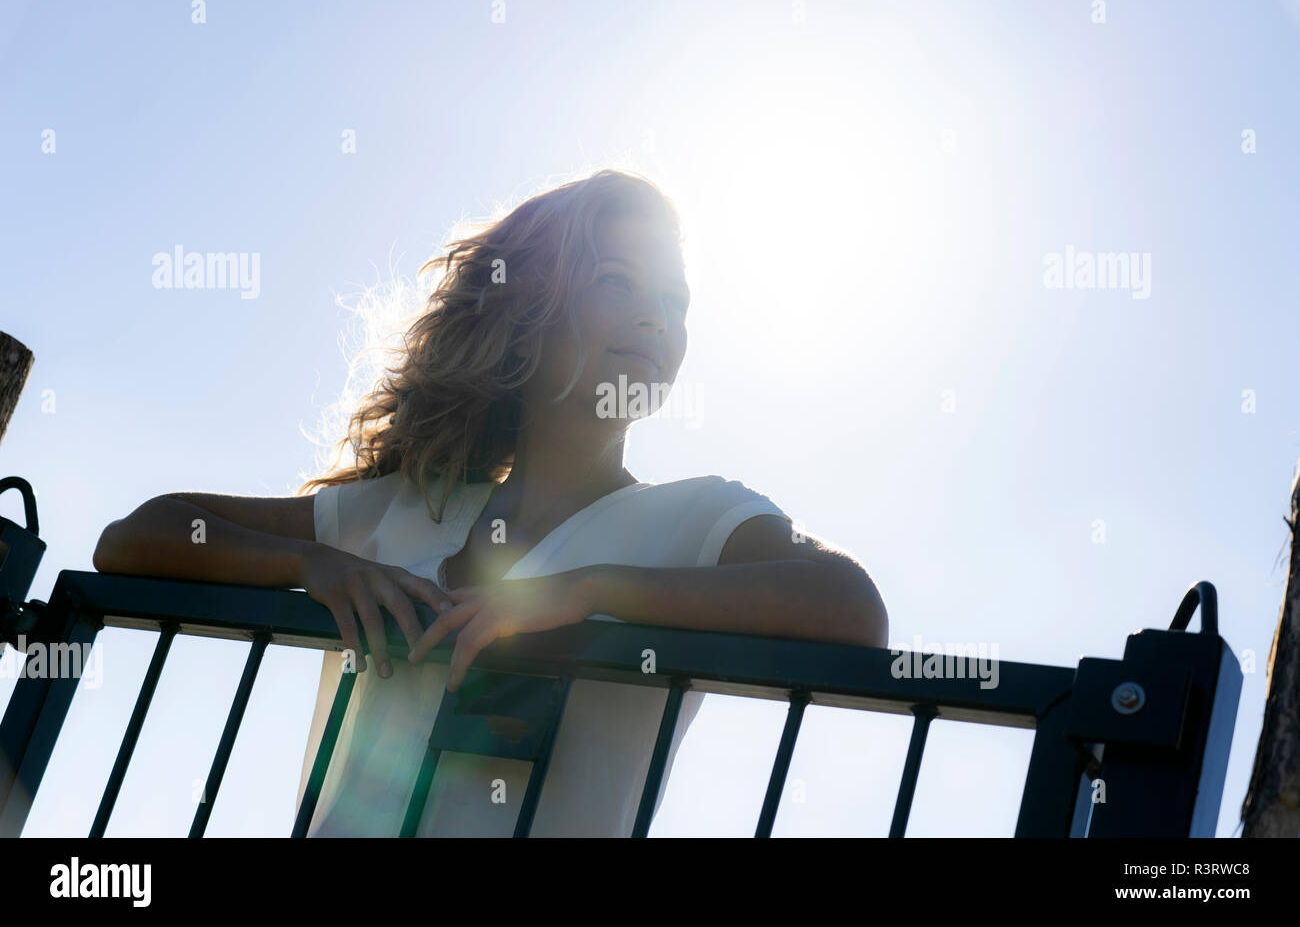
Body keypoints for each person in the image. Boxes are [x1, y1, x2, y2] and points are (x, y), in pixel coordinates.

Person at [93, 168, 888, 837]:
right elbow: (134, 539)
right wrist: (312, 564)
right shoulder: (405, 508)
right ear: (527, 309)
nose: (656, 316)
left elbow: (853, 608)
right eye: (617, 282)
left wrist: (586, 593)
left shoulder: (700, 517)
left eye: (675, 299)